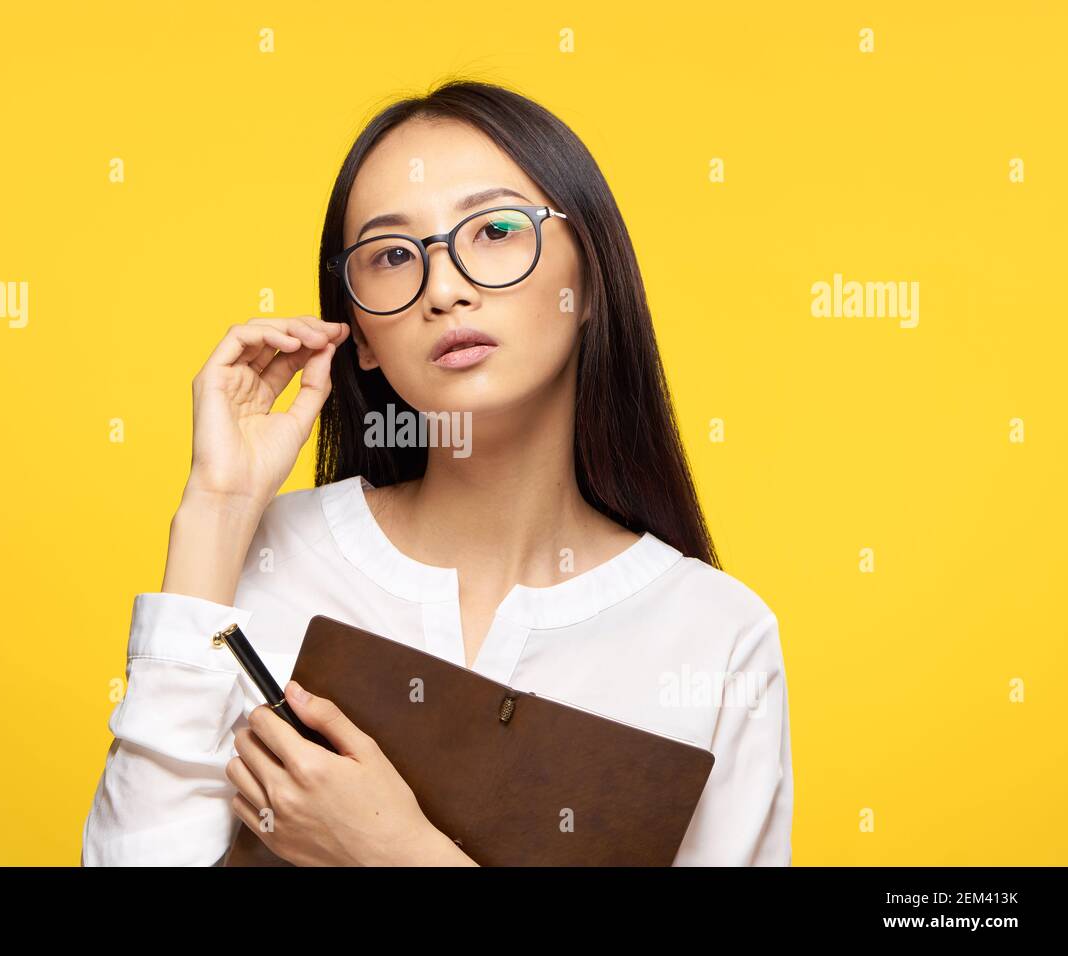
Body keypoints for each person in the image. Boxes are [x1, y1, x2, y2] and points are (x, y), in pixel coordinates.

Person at [81, 79, 793, 867]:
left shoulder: (719, 636)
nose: (446, 288)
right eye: (392, 255)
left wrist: (394, 851)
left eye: (493, 230)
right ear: (361, 338)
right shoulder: (270, 557)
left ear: (588, 282)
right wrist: (216, 511)